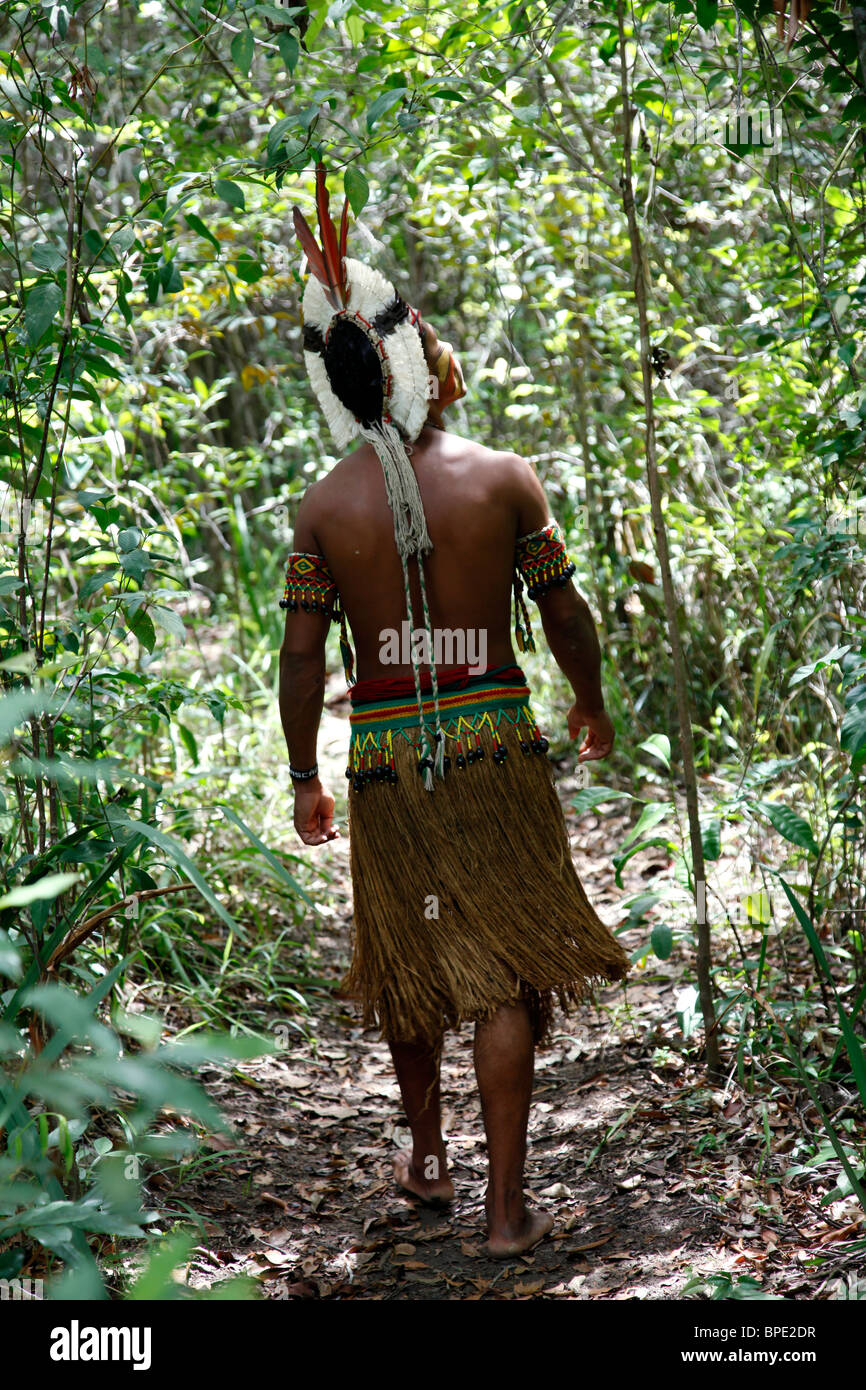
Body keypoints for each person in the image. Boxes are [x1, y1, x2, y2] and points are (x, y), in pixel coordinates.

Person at [279, 165, 629, 1257]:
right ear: (416, 362)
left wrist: (305, 773)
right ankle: (503, 1211)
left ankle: (429, 1160)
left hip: (387, 759)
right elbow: (563, 614)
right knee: (503, 971)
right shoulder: (502, 479)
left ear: (344, 387)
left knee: (411, 952)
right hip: (493, 750)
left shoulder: (322, 509)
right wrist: (590, 701)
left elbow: (300, 656)